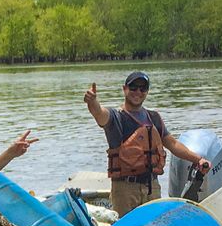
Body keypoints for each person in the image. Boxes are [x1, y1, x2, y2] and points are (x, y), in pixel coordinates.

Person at [84, 72, 212, 217]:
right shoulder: (116, 117)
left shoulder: (154, 118)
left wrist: (198, 159)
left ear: (147, 92)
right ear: (125, 89)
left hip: (152, 188)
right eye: (133, 87)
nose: (138, 92)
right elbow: (100, 114)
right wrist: (92, 102)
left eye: (143, 88)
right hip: (125, 190)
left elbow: (173, 144)